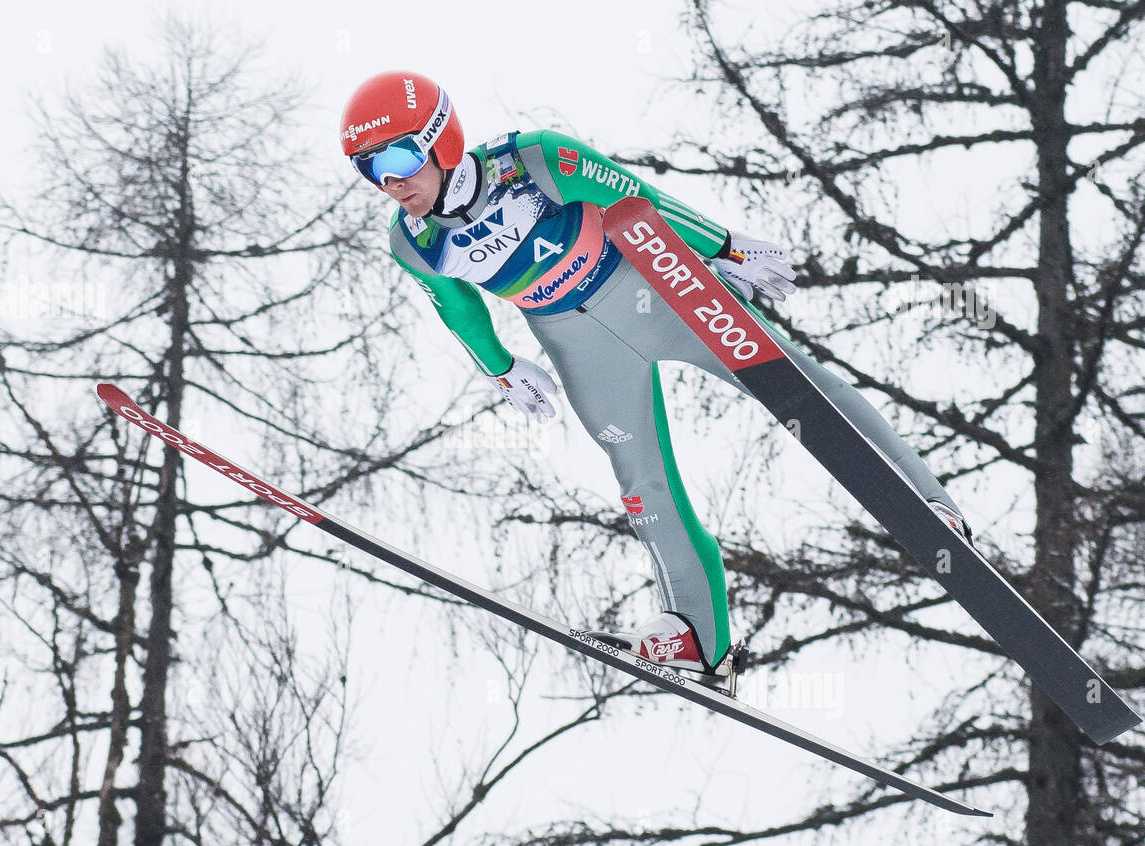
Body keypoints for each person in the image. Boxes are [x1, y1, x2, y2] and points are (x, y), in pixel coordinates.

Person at [340, 71, 973, 682]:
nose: (388, 183)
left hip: (655, 293)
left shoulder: (533, 160)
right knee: (641, 486)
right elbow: (456, 304)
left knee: (797, 389)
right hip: (575, 342)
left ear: (439, 139)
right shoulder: (413, 240)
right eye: (368, 169)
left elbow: (637, 199)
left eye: (394, 159)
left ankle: (924, 503)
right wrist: (502, 370)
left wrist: (725, 249)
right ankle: (700, 638)